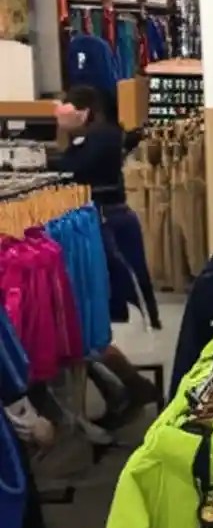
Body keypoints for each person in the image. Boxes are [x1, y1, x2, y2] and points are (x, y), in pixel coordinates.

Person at [49, 85, 158, 429]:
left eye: (64, 105)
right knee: (87, 324)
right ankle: (125, 390)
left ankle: (132, 388)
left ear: (83, 111)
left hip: (104, 229)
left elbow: (72, 170)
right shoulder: (94, 138)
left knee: (89, 322)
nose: (57, 110)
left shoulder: (103, 139)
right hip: (95, 226)